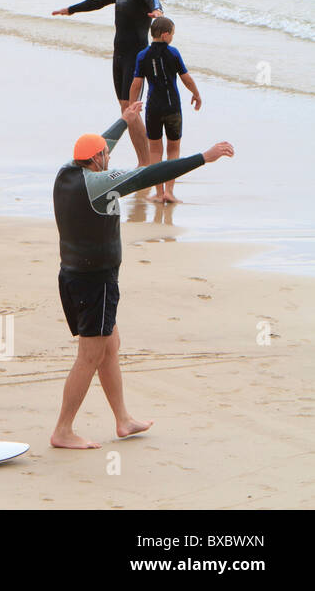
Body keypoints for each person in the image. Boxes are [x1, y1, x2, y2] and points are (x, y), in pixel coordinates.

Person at [51, 102, 233, 449]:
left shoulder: (65, 172)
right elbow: (151, 173)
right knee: (89, 356)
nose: (109, 157)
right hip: (95, 283)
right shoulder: (101, 184)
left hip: (72, 276)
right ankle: (62, 429)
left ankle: (122, 420)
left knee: (110, 346)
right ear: (97, 161)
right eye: (105, 155)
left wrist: (124, 120)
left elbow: (101, 142)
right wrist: (202, 158)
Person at [52, 0, 163, 157]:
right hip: (120, 55)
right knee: (125, 108)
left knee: (131, 109)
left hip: (137, 56)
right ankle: (146, 160)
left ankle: (147, 162)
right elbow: (98, 0)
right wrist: (71, 9)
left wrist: (157, 10)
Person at [129, 16, 201, 204]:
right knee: (173, 149)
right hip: (172, 108)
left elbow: (136, 84)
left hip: (153, 108)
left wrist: (132, 106)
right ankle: (170, 190)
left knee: (155, 151)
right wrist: (196, 94)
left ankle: (159, 192)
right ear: (165, 34)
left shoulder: (142, 55)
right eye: (173, 34)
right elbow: (186, 78)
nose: (173, 38)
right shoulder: (173, 53)